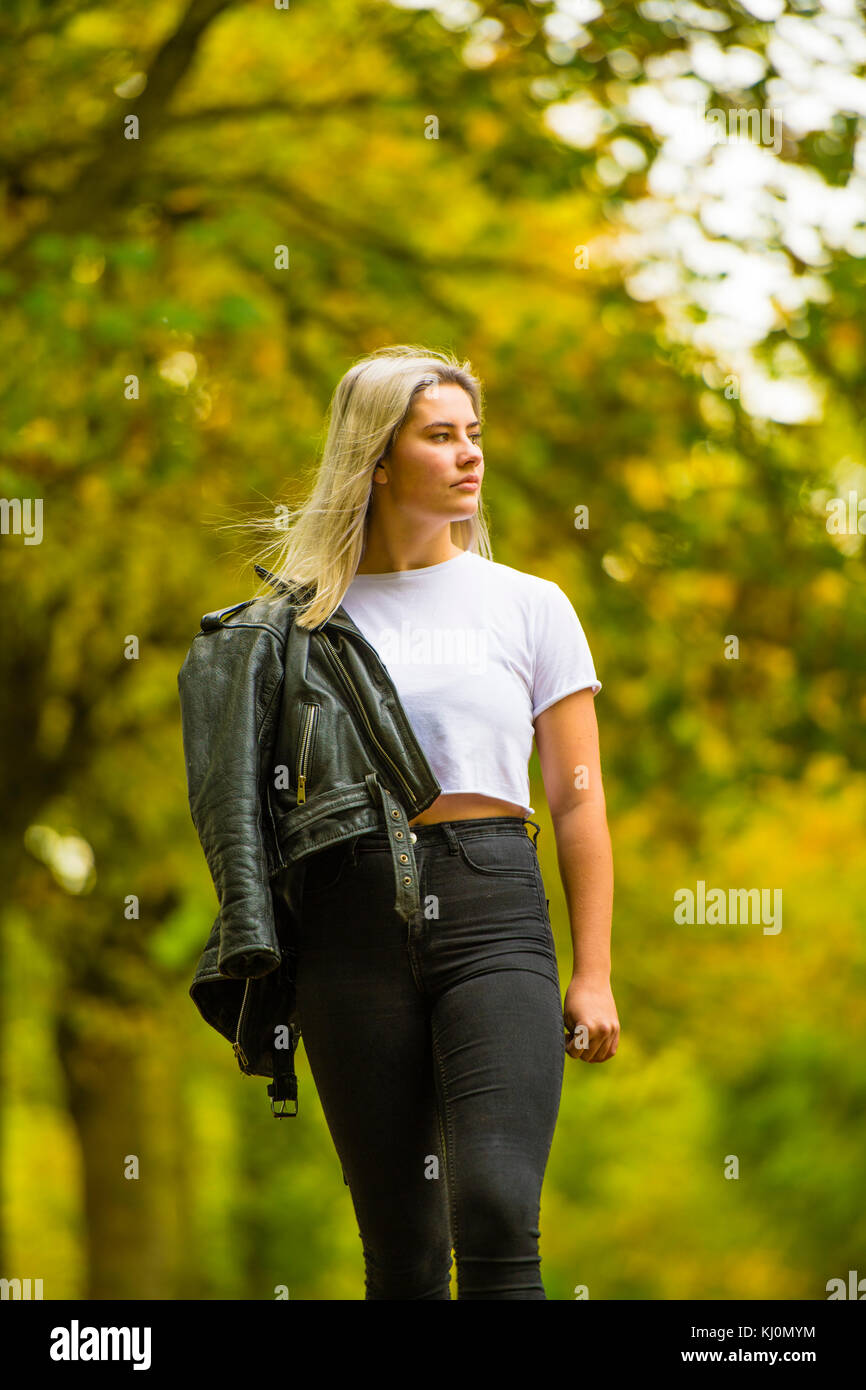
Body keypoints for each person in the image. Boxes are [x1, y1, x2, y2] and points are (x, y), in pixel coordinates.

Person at [251, 344, 618, 1299]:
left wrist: (593, 971)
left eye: (475, 436)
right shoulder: (294, 625)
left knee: (496, 1203)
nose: (470, 457)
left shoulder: (530, 606)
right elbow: (247, 802)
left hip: (493, 903)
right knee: (404, 1253)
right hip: (349, 918)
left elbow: (577, 796)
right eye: (441, 436)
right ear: (376, 459)